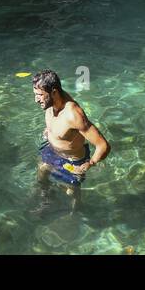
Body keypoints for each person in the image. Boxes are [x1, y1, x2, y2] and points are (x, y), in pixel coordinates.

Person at [32, 69, 110, 208]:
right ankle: (45, 197)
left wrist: (90, 163)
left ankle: (75, 212)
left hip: (72, 161)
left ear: (54, 93)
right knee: (41, 171)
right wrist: (50, 131)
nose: (36, 100)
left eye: (39, 95)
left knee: (71, 193)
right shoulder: (51, 102)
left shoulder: (73, 115)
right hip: (53, 149)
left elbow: (103, 146)